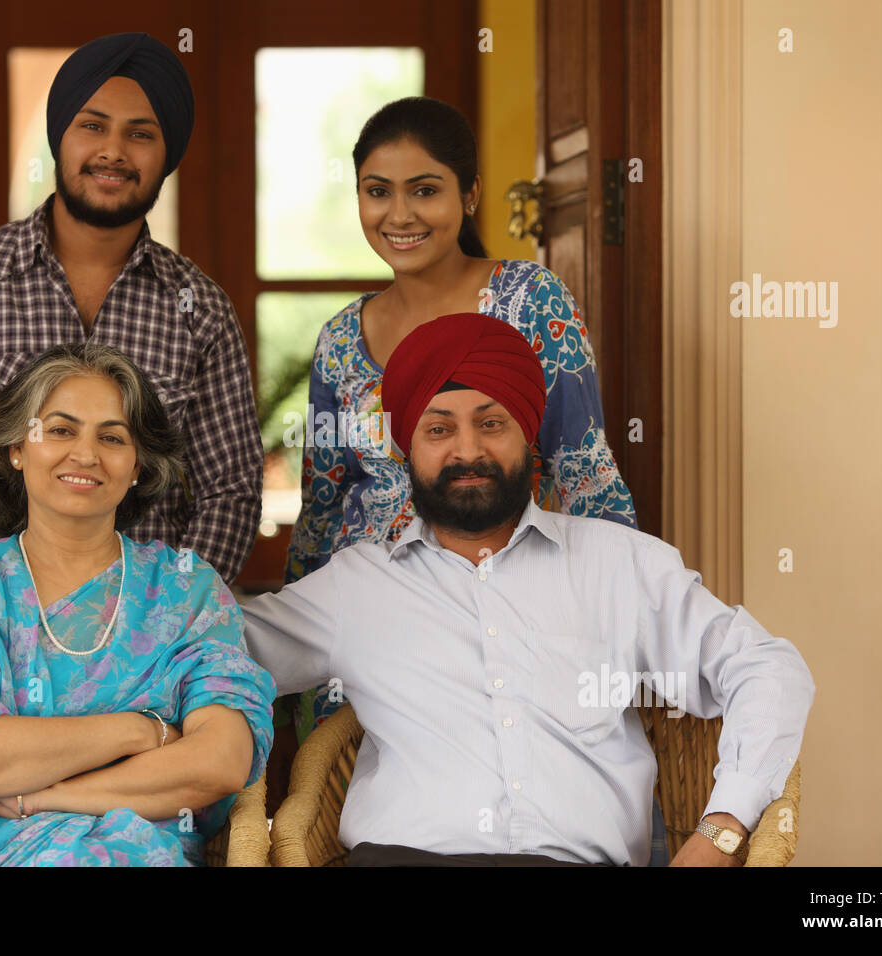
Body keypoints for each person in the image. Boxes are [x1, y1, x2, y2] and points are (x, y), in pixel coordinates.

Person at [243, 313, 814, 867]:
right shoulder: (357, 588)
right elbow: (217, 648)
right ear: (405, 448)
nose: (468, 451)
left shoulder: (620, 565)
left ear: (528, 434)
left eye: (491, 424)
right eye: (439, 429)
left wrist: (722, 829)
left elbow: (767, 667)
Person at [0, 32, 263, 668]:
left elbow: (230, 492)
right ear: (60, 136)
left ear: (167, 153)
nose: (113, 151)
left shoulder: (201, 310)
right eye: (92, 125)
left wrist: (165, 622)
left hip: (142, 651)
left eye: (140, 133)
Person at [282, 97, 636, 746]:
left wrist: (610, 625)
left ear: (469, 195)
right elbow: (322, 508)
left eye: (425, 190)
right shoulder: (340, 338)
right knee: (345, 802)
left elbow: (585, 473)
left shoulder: (529, 301)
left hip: (506, 619)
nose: (399, 215)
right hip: (364, 634)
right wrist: (300, 651)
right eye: (377, 191)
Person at [0, 343, 275, 866]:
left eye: (112, 437)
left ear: (138, 465)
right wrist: (141, 730)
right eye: (60, 430)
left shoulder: (187, 591)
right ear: (17, 448)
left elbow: (221, 761)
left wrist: (43, 798)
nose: (85, 454)